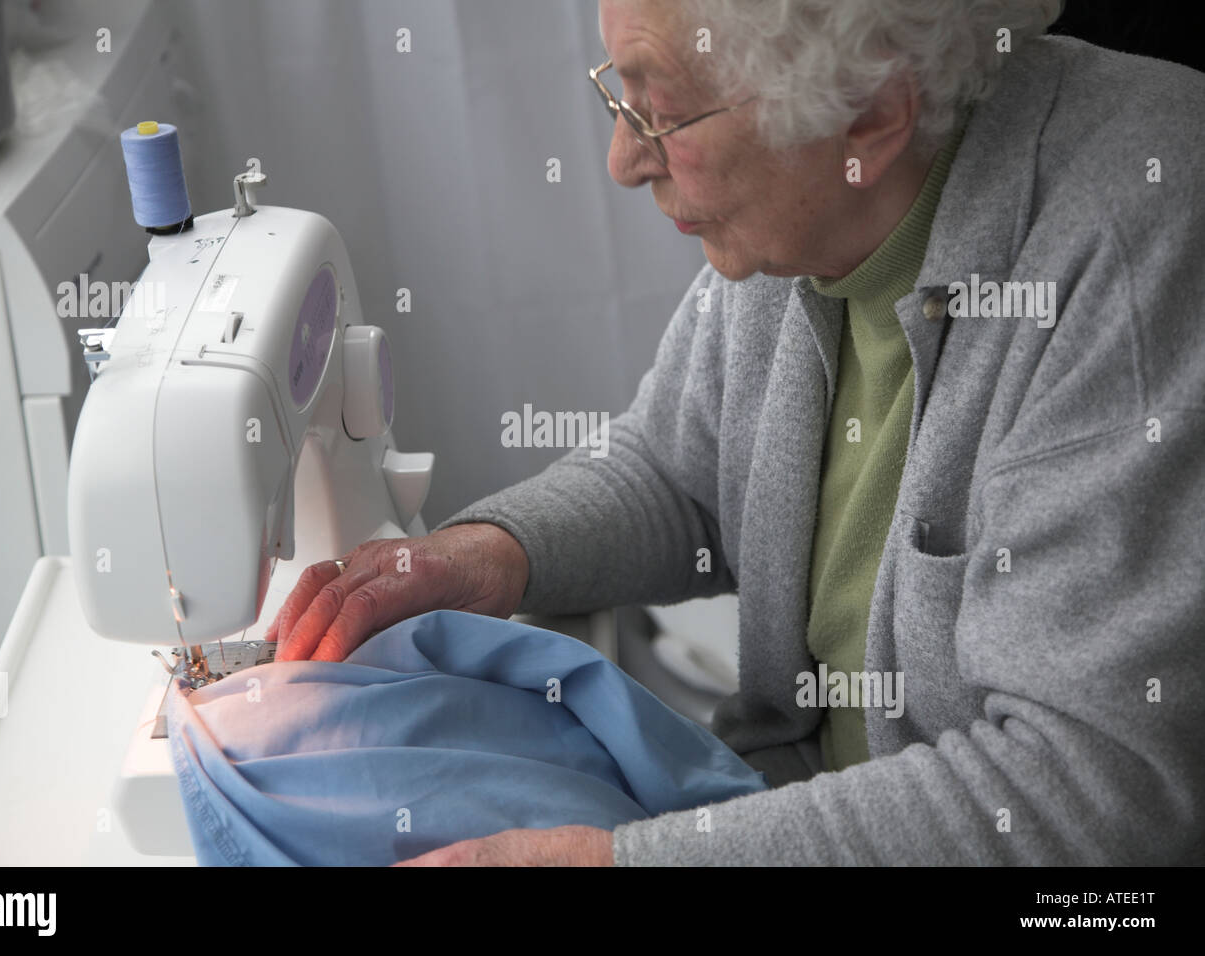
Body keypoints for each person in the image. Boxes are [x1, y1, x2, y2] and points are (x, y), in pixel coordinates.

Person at [267, 0, 1205, 865]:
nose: (624, 161)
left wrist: (622, 865)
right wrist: (491, 552)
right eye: (618, 97)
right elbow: (676, 473)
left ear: (872, 114)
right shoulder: (812, 220)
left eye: (659, 112)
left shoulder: (1131, 256)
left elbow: (1090, 789)